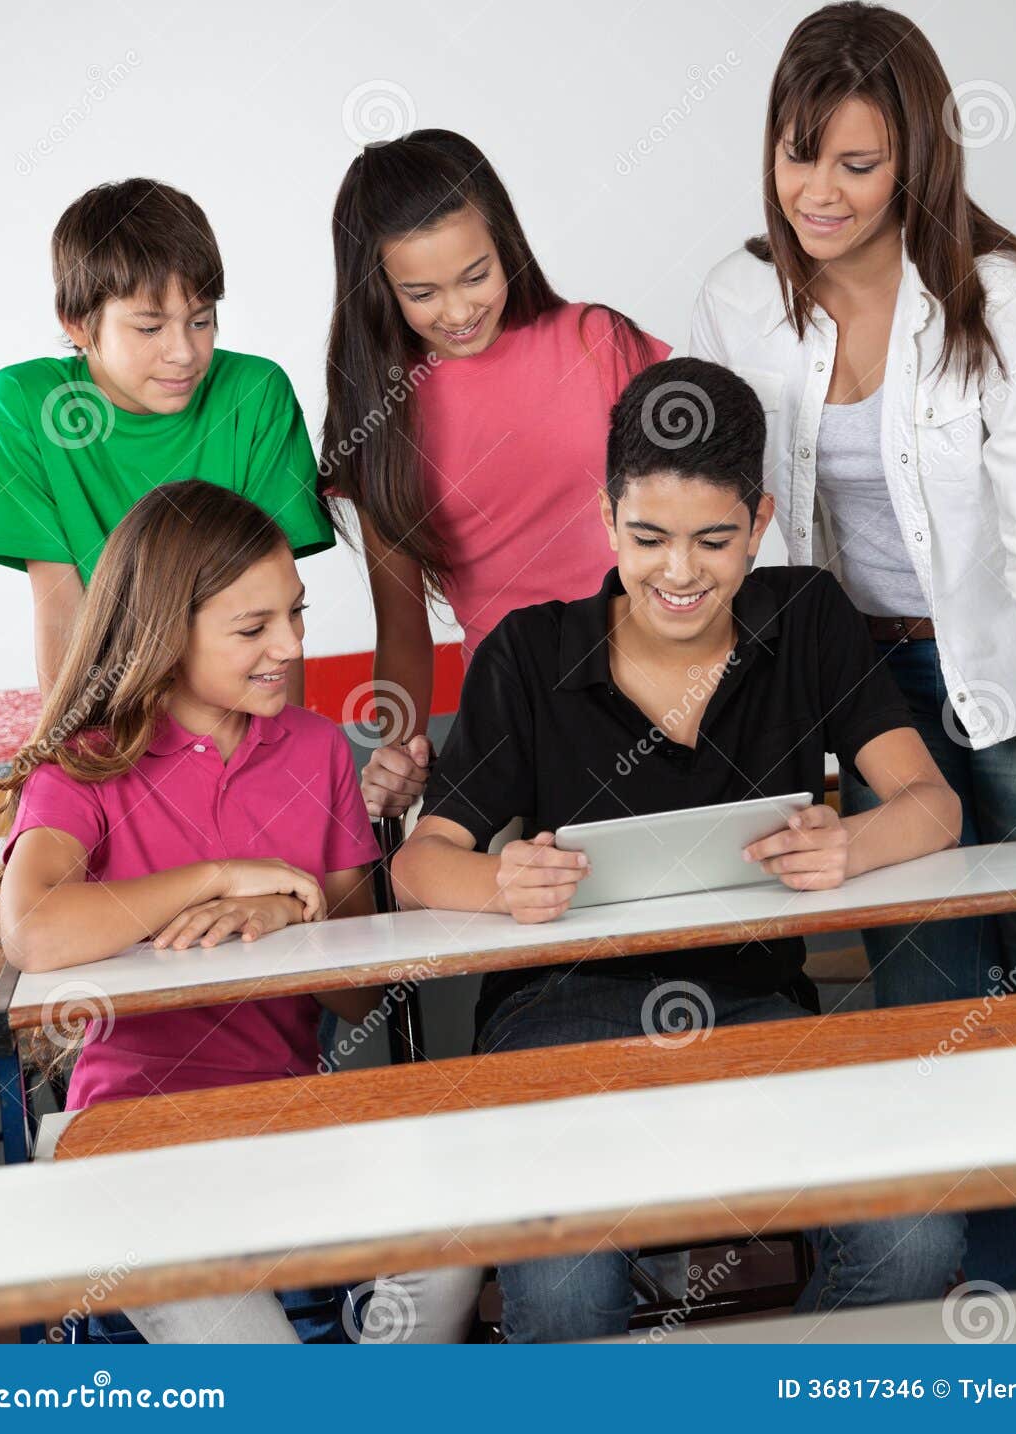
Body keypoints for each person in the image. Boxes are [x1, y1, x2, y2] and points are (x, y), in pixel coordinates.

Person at [388, 356, 965, 1342]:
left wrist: (852, 841)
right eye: (648, 538)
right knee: (568, 1294)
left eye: (715, 540)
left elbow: (931, 804)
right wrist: (498, 878)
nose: (680, 573)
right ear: (607, 517)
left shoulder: (808, 616)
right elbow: (417, 864)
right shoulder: (528, 653)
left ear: (761, 521)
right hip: (556, 1019)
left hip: (755, 1013)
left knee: (915, 1238)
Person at [690, 0, 1016, 1288]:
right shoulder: (736, 298)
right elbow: (730, 535)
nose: (817, 192)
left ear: (918, 160)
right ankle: (971, 1342)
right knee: (936, 1032)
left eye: (856, 164)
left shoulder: (1006, 303)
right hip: (862, 699)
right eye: (796, 152)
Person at [0, 480, 377, 1342]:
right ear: (167, 633)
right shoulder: (84, 765)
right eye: (253, 628)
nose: (291, 644)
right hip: (128, 1136)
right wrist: (216, 876)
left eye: (296, 613)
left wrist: (290, 909)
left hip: (289, 1122)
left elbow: (362, 992)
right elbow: (36, 928)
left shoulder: (318, 749)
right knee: (254, 1354)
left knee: (454, 1262)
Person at [319, 129, 669, 818]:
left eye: (476, 276)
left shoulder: (598, 342)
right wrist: (400, 748)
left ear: (506, 245)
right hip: (517, 720)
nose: (458, 311)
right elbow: (403, 627)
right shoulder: (381, 420)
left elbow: (690, 525)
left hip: (663, 687)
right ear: (379, 289)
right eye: (422, 292)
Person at [0, 178, 334, 699]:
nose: (183, 353)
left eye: (200, 320)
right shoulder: (21, 405)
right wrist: (70, 750)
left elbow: (271, 612)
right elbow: (59, 602)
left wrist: (286, 760)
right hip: (109, 705)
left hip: (236, 705)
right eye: (149, 328)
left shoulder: (255, 395)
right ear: (78, 324)